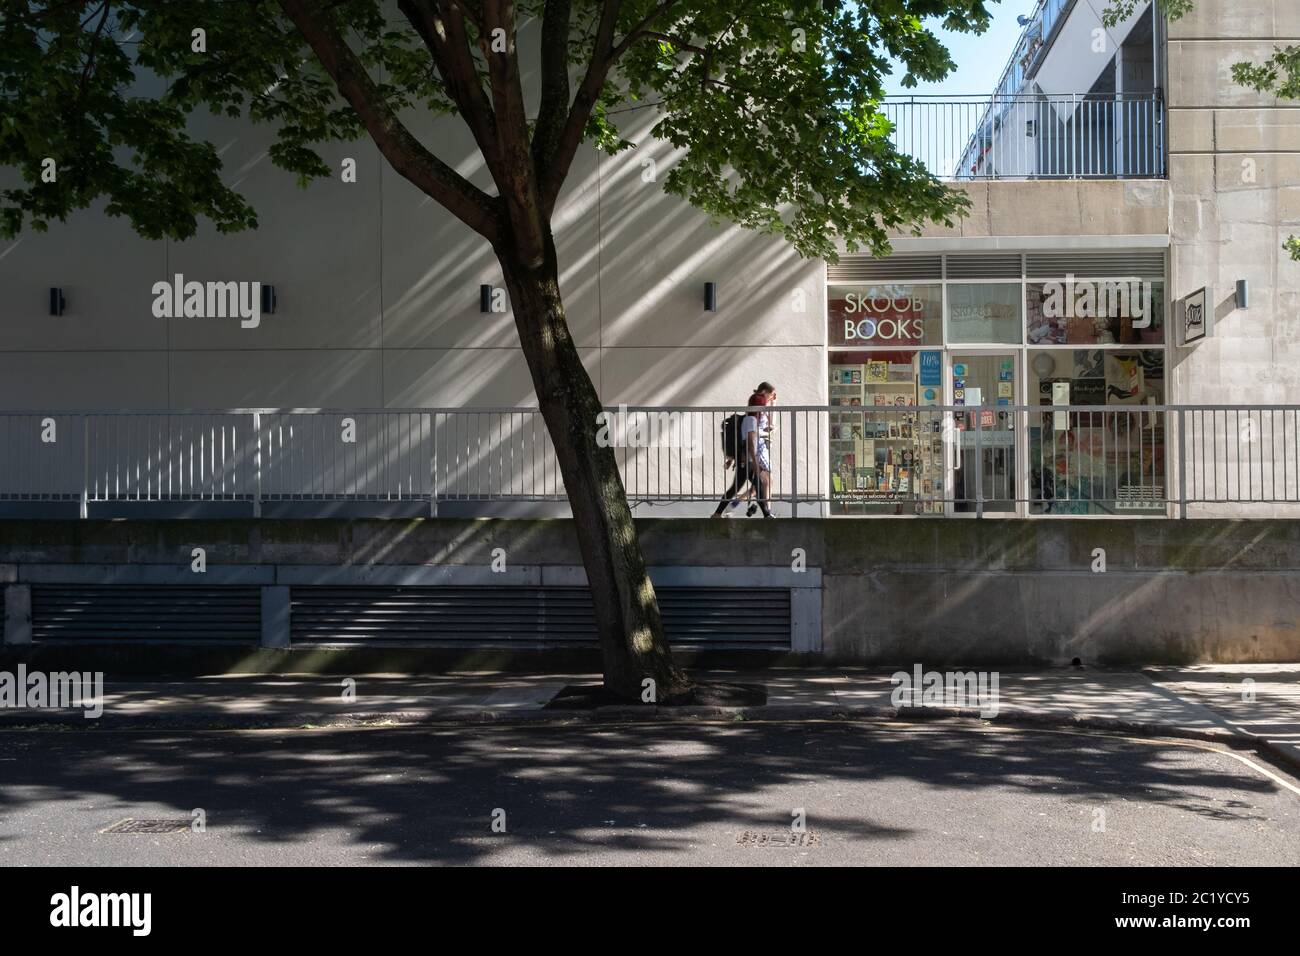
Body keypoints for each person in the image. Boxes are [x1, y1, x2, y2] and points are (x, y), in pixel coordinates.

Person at [711, 383, 776, 518]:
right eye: (762, 405)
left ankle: (718, 513)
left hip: (745, 460)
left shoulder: (748, 419)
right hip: (748, 460)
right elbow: (750, 442)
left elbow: (746, 440)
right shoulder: (751, 420)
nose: (764, 408)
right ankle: (767, 514)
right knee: (756, 487)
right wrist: (755, 461)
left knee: (751, 487)